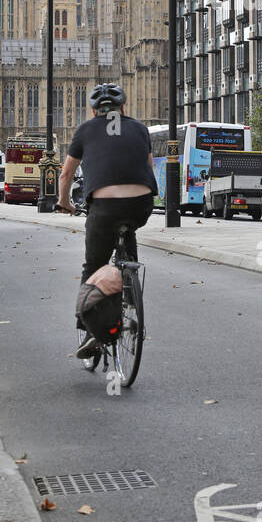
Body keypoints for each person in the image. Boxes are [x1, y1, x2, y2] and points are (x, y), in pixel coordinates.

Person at [56, 83, 157, 358]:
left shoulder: (86, 130)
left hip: (103, 208)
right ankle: (129, 286)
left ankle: (88, 330)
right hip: (142, 204)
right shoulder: (139, 128)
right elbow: (147, 167)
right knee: (127, 225)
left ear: (92, 111)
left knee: (94, 264)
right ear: (123, 108)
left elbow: (65, 175)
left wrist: (64, 202)